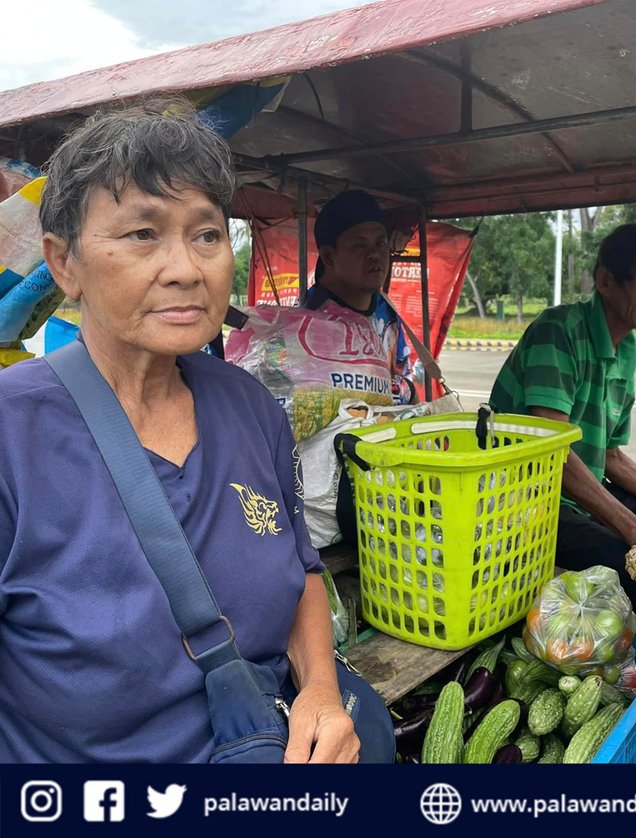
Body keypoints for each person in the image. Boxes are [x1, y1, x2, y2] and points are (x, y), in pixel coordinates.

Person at [0, 103, 360, 762]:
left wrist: (320, 693)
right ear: (64, 263)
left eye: (206, 235)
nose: (186, 269)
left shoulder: (251, 407)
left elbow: (301, 569)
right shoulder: (12, 433)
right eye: (142, 234)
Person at [489, 224, 636, 621]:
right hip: (523, 501)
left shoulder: (626, 348)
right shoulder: (558, 331)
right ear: (605, 280)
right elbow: (553, 454)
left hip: (577, 492)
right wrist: (635, 531)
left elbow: (611, 458)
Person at [302, 189, 427, 404]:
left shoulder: (386, 310)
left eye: (380, 243)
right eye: (361, 245)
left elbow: (401, 380)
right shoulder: (310, 323)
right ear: (329, 256)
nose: (375, 254)